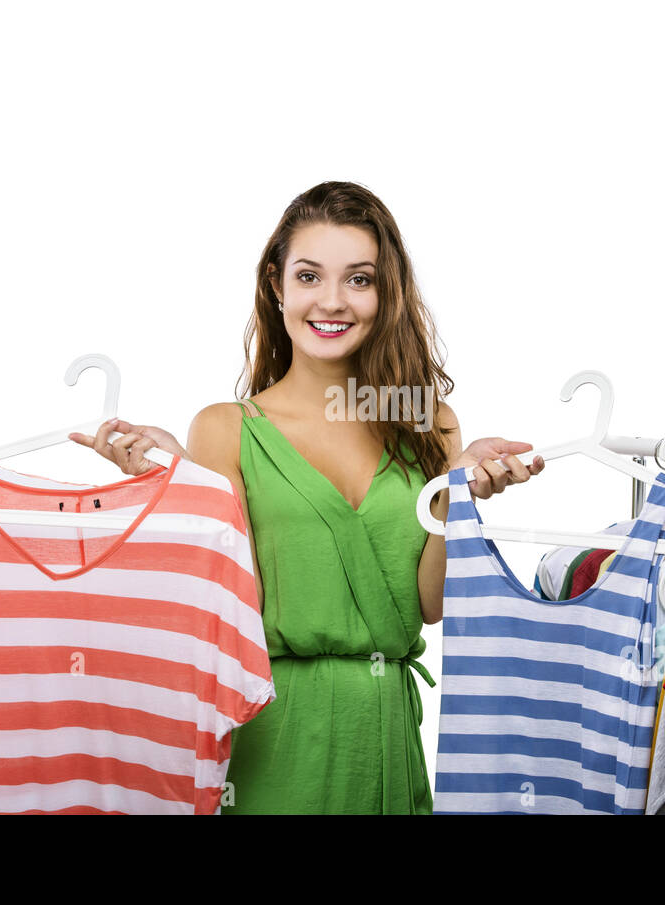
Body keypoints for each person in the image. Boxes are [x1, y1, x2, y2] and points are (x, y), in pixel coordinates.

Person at [70, 180, 543, 813]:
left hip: (385, 736)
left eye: (359, 279)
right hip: (275, 731)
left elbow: (429, 605)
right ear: (277, 286)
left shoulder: (430, 421)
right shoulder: (225, 429)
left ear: (386, 292)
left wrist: (459, 491)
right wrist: (182, 487)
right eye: (310, 275)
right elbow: (234, 603)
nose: (332, 301)